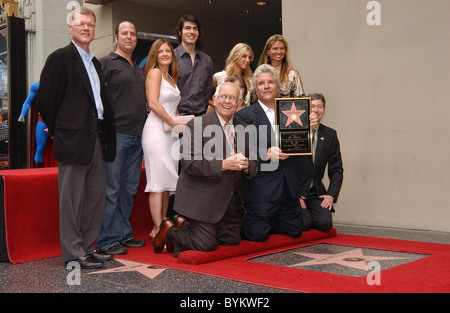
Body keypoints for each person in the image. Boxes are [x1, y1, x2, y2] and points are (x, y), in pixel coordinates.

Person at [36, 7, 116, 268]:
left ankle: (86, 245)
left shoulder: (94, 62)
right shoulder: (60, 58)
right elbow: (46, 101)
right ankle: (72, 252)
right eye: (81, 24)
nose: (86, 28)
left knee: (95, 196)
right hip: (72, 139)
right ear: (70, 27)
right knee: (72, 199)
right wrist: (61, 131)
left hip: (96, 138)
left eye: (91, 25)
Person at [152, 82, 259, 256]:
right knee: (206, 244)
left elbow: (255, 165)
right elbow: (189, 162)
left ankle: (186, 226)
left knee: (231, 242)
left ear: (240, 104)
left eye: (233, 98)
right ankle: (169, 231)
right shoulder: (197, 124)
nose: (227, 101)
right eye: (223, 96)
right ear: (215, 100)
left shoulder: (246, 129)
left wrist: (247, 166)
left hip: (230, 202)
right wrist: (223, 164)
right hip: (201, 198)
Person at [234, 64, 317, 242]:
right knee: (257, 235)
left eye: (270, 82)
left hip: (287, 185)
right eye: (262, 83)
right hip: (262, 186)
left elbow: (301, 145)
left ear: (278, 86)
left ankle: (269, 220)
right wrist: (265, 153)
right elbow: (240, 149)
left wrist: (308, 128)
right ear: (256, 89)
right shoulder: (244, 116)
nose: (266, 86)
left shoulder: (292, 110)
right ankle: (253, 220)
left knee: (295, 230)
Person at [96, 21, 147, 255]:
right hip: (116, 135)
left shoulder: (136, 67)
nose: (129, 37)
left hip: (138, 137)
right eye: (124, 33)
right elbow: (95, 99)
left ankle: (124, 233)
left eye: (133, 34)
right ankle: (107, 239)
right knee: (112, 189)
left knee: (129, 189)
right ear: (116, 36)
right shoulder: (105, 63)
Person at [142, 39, 181, 240]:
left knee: (167, 184)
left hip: (171, 134)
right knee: (157, 182)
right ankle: (158, 230)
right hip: (156, 131)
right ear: (155, 55)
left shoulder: (172, 78)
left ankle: (164, 225)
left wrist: (181, 125)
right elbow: (153, 104)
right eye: (161, 51)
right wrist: (174, 123)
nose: (165, 54)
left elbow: (174, 108)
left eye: (168, 51)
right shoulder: (155, 72)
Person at [300, 93, 343, 231]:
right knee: (304, 224)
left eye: (320, 106)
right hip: (296, 191)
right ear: (305, 109)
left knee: (325, 224)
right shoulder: (295, 131)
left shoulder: (330, 134)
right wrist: (294, 194)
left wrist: (331, 195)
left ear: (324, 110)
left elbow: (336, 169)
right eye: (312, 106)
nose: (316, 110)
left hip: (315, 191)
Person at [174, 14, 214, 116]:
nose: (192, 32)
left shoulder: (207, 60)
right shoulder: (172, 57)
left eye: (195, 29)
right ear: (180, 32)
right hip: (175, 117)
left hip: (200, 117)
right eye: (187, 28)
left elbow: (207, 91)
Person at [209, 43, 254, 108]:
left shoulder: (250, 80)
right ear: (235, 56)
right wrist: (216, 106)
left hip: (243, 117)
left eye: (249, 58)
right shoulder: (221, 76)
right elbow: (201, 92)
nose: (247, 60)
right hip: (223, 117)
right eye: (244, 56)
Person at [18, 82, 48, 168]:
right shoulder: (37, 86)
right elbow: (28, 101)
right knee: (40, 147)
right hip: (44, 119)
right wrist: (22, 115)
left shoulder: (62, 84)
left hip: (58, 121)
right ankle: (37, 169)